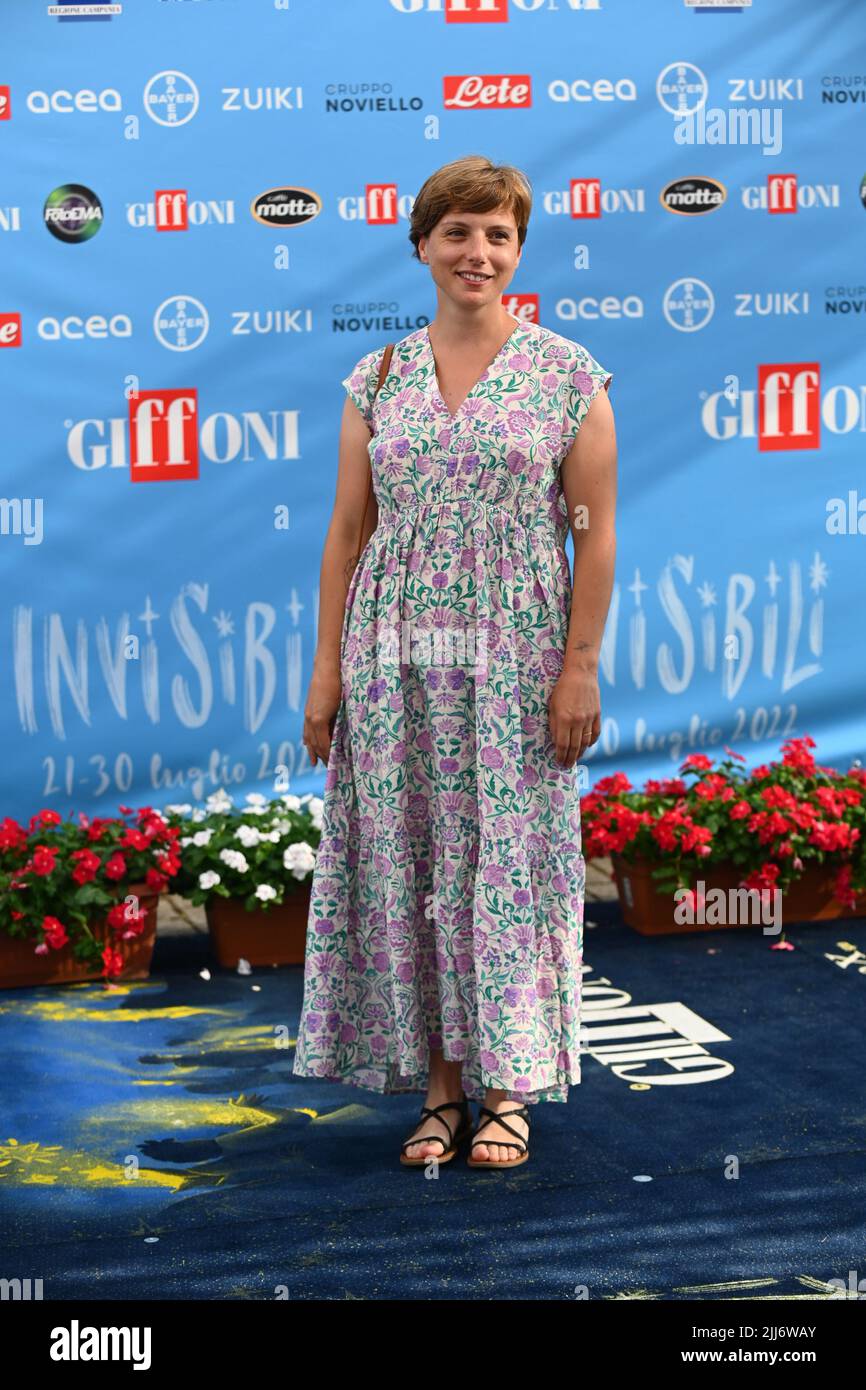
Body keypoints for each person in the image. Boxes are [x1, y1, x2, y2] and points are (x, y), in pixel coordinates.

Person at [294, 154, 617, 1169]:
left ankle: (509, 1087)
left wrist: (580, 667)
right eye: (458, 232)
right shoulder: (376, 377)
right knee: (412, 859)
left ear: (517, 251)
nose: (476, 251)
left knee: (508, 861)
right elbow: (347, 531)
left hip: (516, 656)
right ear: (422, 245)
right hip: (391, 660)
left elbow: (593, 534)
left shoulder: (567, 375)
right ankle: (436, 1091)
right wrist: (324, 673)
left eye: (497, 235)